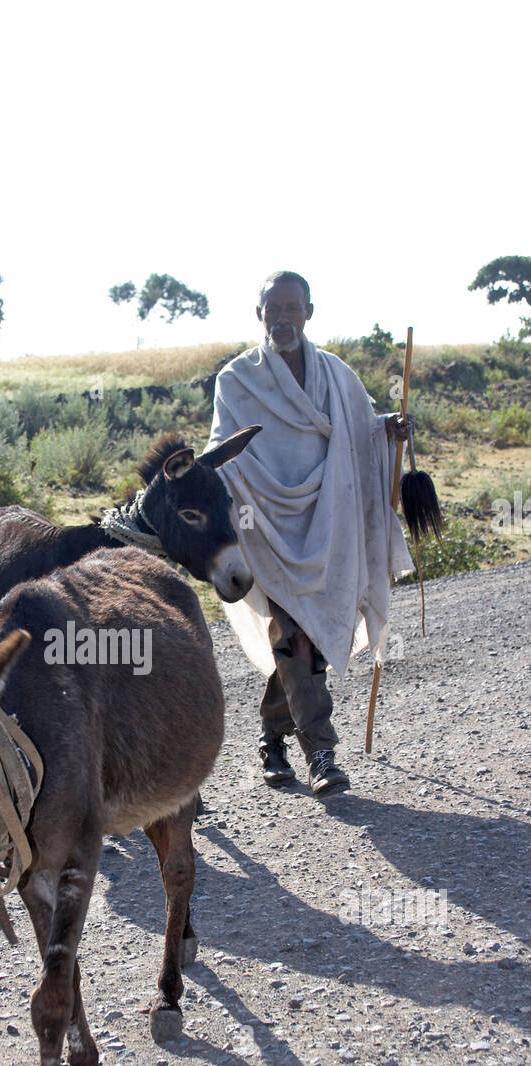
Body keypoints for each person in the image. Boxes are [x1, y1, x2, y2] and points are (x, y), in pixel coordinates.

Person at [208, 271, 413, 796]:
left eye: (291, 308)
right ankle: (321, 754)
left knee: (308, 639)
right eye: (272, 308)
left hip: (328, 529)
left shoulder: (337, 376)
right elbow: (223, 453)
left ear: (309, 312)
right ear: (259, 315)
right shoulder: (236, 380)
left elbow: (363, 429)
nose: (281, 318)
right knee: (297, 637)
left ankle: (270, 739)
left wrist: (390, 430)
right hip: (267, 531)